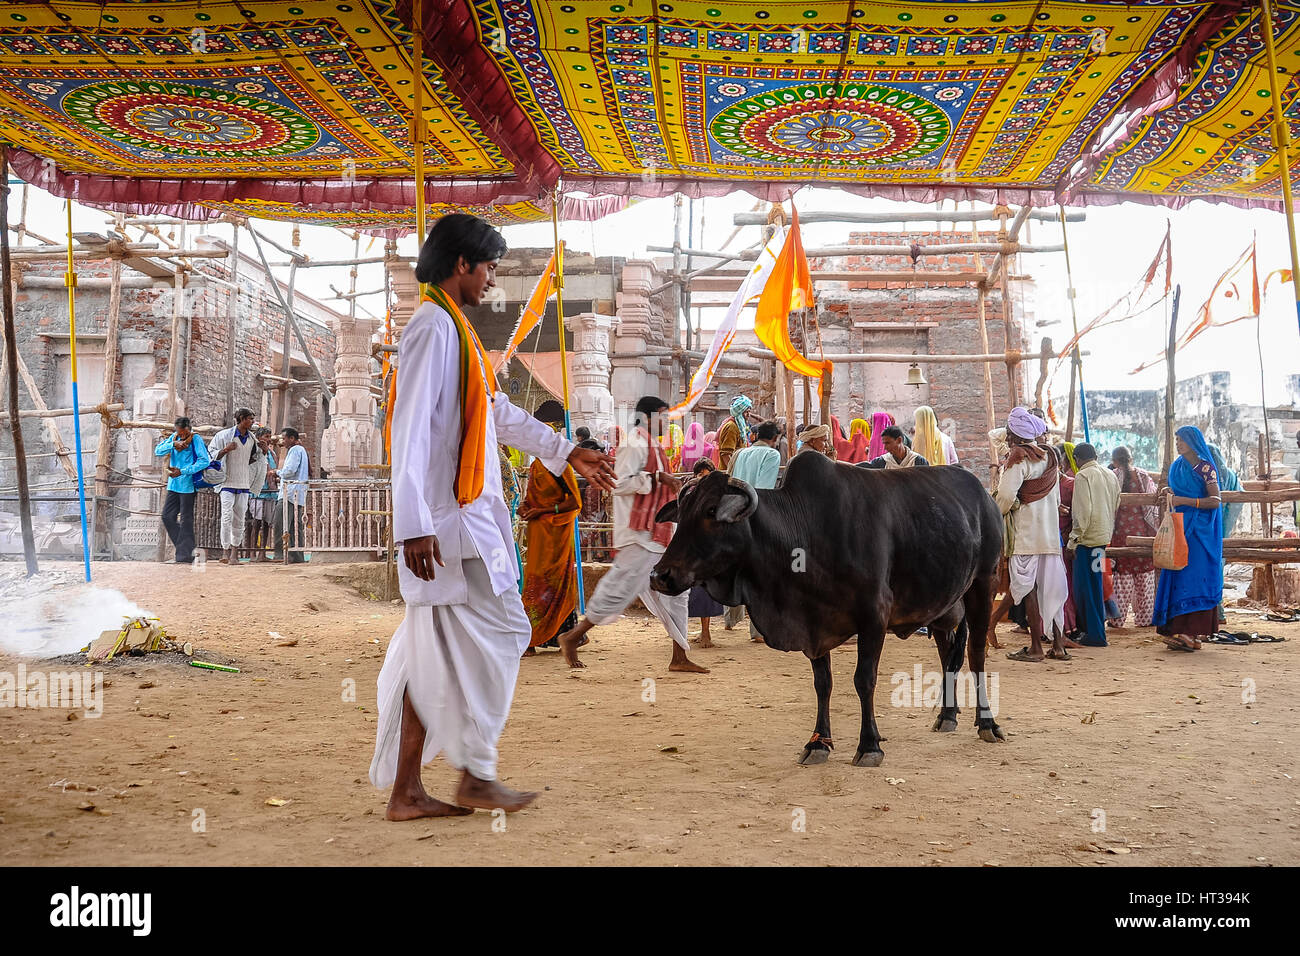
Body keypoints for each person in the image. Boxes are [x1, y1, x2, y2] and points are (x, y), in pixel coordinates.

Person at [370, 213, 616, 820]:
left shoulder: (458, 333)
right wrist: (413, 524)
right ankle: (473, 772)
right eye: (489, 267)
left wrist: (565, 451)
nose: (492, 279)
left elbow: (498, 411)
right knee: (508, 631)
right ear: (462, 265)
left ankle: (413, 789)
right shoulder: (432, 328)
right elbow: (407, 430)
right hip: (447, 524)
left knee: (433, 656)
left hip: (460, 520)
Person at [557, 395, 709, 674]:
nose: (667, 421)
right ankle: (573, 635)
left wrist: (670, 483)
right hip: (639, 532)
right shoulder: (634, 444)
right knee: (621, 587)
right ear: (648, 417)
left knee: (677, 590)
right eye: (663, 415)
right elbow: (618, 484)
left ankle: (680, 655)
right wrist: (656, 479)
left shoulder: (653, 446)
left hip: (658, 532)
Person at [997, 408, 1070, 662]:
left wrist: (996, 515)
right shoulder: (1050, 456)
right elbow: (1057, 496)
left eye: (1008, 433)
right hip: (1050, 536)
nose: (1005, 437)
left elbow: (1005, 496)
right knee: (1052, 590)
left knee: (1029, 591)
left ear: (1014, 435)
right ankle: (1059, 646)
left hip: (1026, 536)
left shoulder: (1018, 458)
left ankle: (1036, 647)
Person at [519, 400, 582, 655]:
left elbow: (573, 502)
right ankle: (548, 636)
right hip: (539, 534)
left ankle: (534, 639)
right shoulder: (538, 462)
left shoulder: (559, 462)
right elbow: (535, 498)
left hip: (556, 534)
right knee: (537, 583)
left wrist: (543, 510)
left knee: (554, 584)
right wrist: (526, 506)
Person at [1153, 426, 1223, 652]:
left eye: (1181, 440)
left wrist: (1185, 500)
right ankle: (1185, 634)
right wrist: (1167, 490)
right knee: (1178, 576)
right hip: (1180, 528)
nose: (1178, 443)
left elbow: (1215, 501)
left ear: (1193, 442)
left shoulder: (1206, 468)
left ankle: (1191, 633)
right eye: (1176, 439)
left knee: (1195, 577)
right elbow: (1175, 491)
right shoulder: (1177, 467)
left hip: (1200, 534)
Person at [726, 421, 782, 644]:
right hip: (754, 515)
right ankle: (758, 629)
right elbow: (763, 490)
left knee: (736, 568)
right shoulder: (771, 455)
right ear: (775, 438)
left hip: (734, 511)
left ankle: (730, 619)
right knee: (760, 573)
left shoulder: (741, 453)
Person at [1067, 443, 1120, 647]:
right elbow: (1116, 503)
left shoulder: (1083, 476)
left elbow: (1082, 511)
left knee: (1085, 589)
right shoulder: (1110, 474)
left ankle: (1095, 634)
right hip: (1102, 539)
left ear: (1078, 459)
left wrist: (1074, 539)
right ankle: (1098, 631)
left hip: (1086, 541)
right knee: (1097, 585)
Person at [1108, 445, 1159, 627]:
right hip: (1141, 531)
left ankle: (1117, 619)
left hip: (1120, 533)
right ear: (1131, 459)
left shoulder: (1112, 476)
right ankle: (1145, 619)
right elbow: (1153, 505)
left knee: (1122, 577)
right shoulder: (1143, 476)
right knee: (1145, 576)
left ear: (1114, 461)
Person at [208, 408, 261, 566]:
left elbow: (255, 458)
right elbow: (211, 453)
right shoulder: (223, 436)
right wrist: (226, 450)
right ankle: (225, 551)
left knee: (240, 519)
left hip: (243, 483)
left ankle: (234, 554)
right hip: (227, 483)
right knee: (226, 516)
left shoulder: (252, 440)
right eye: (250, 419)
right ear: (242, 419)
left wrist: (263, 450)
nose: (252, 422)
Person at [154, 416, 210, 564]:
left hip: (188, 485)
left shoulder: (195, 439)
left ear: (188, 429)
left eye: (184, 433)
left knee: (186, 520)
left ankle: (183, 556)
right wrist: (173, 444)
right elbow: (158, 451)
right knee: (167, 516)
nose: (182, 435)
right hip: (173, 485)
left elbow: (205, 461)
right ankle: (187, 549)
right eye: (180, 433)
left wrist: (184, 471)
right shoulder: (174, 437)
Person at [686, 458, 724, 648]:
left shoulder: (716, 496)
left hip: (707, 548)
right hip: (693, 547)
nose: (703, 479)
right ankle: (697, 633)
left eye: (706, 475)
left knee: (703, 591)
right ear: (695, 476)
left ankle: (706, 633)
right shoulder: (690, 493)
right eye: (700, 475)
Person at [245, 427, 278, 561]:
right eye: (266, 436)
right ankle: (252, 553)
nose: (268, 439)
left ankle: (262, 553)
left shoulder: (271, 453)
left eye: (269, 436)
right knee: (256, 523)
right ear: (259, 438)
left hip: (269, 492)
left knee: (266, 524)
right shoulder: (254, 450)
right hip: (258, 492)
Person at [278, 427, 310, 564]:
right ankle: (297, 556)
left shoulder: (295, 450)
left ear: (291, 438)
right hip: (298, 493)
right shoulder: (301, 450)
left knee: (281, 523)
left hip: (290, 493)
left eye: (284, 438)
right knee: (295, 527)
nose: (282, 441)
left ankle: (281, 554)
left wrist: (277, 472)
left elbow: (289, 470)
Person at [860, 426, 929, 468]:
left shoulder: (919, 461)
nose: (885, 448)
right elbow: (865, 468)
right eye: (884, 444)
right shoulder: (882, 462)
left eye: (888, 443)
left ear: (899, 440)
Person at [717, 394, 752, 469]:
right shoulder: (731, 427)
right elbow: (726, 454)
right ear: (739, 412)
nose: (749, 415)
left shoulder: (739, 427)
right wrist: (733, 472)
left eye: (749, 412)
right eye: (746, 412)